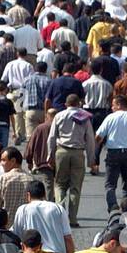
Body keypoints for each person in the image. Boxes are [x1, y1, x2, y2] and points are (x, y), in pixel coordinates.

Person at [47, 95, 96, 224]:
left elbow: (52, 137)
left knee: (59, 185)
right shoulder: (84, 118)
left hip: (61, 151)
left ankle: (60, 217)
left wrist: (50, 155)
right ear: (79, 104)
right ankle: (72, 218)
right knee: (75, 187)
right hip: (78, 153)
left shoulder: (59, 116)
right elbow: (90, 139)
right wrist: (92, 160)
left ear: (66, 104)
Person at [95, 97, 127, 214]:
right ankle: (126, 210)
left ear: (119, 105)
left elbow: (99, 136)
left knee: (110, 185)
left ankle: (113, 208)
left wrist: (95, 147)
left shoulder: (110, 118)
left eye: (113, 105)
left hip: (113, 152)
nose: (112, 108)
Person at [13, 179, 75, 253]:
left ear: (28, 195)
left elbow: (17, 236)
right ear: (44, 194)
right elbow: (67, 238)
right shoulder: (58, 209)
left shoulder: (23, 209)